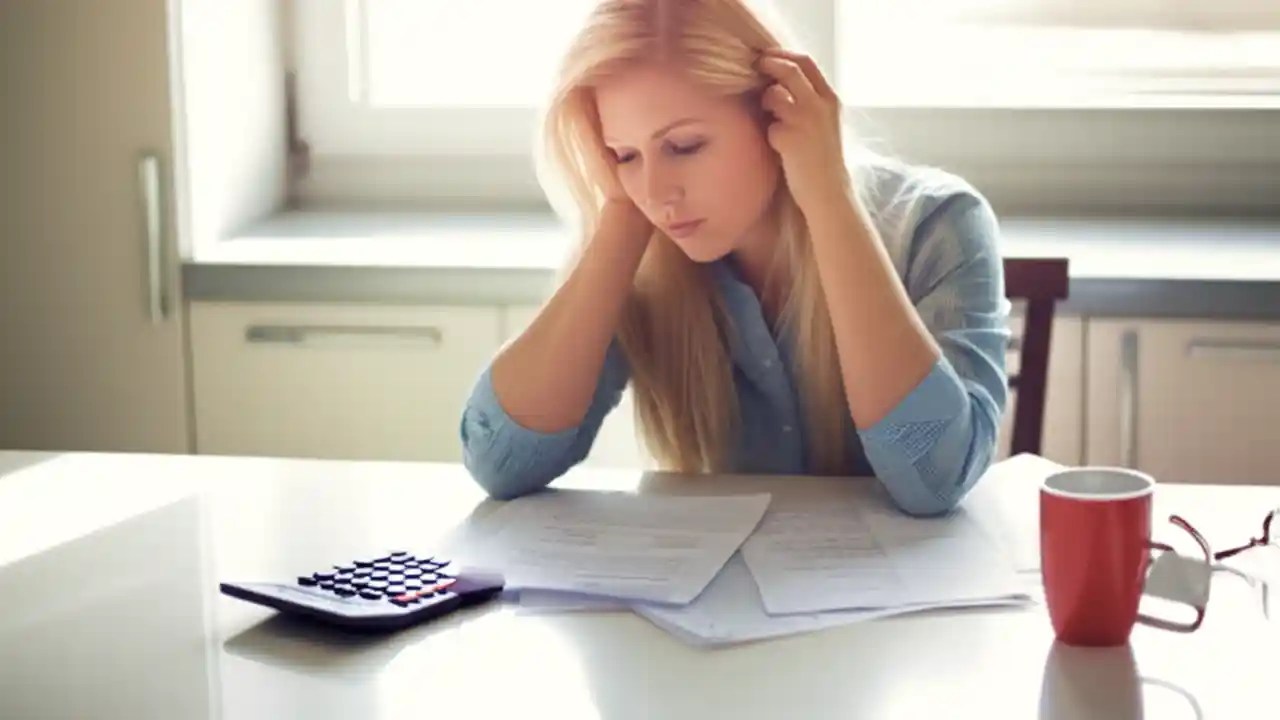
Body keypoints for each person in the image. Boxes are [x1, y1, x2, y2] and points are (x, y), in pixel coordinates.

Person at [458, 0, 1011, 516]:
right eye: (624, 154)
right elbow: (501, 462)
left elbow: (933, 477)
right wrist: (620, 221)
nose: (656, 192)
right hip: (721, 606)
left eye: (684, 146)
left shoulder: (937, 225)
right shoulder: (643, 236)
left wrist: (826, 192)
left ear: (777, 115)